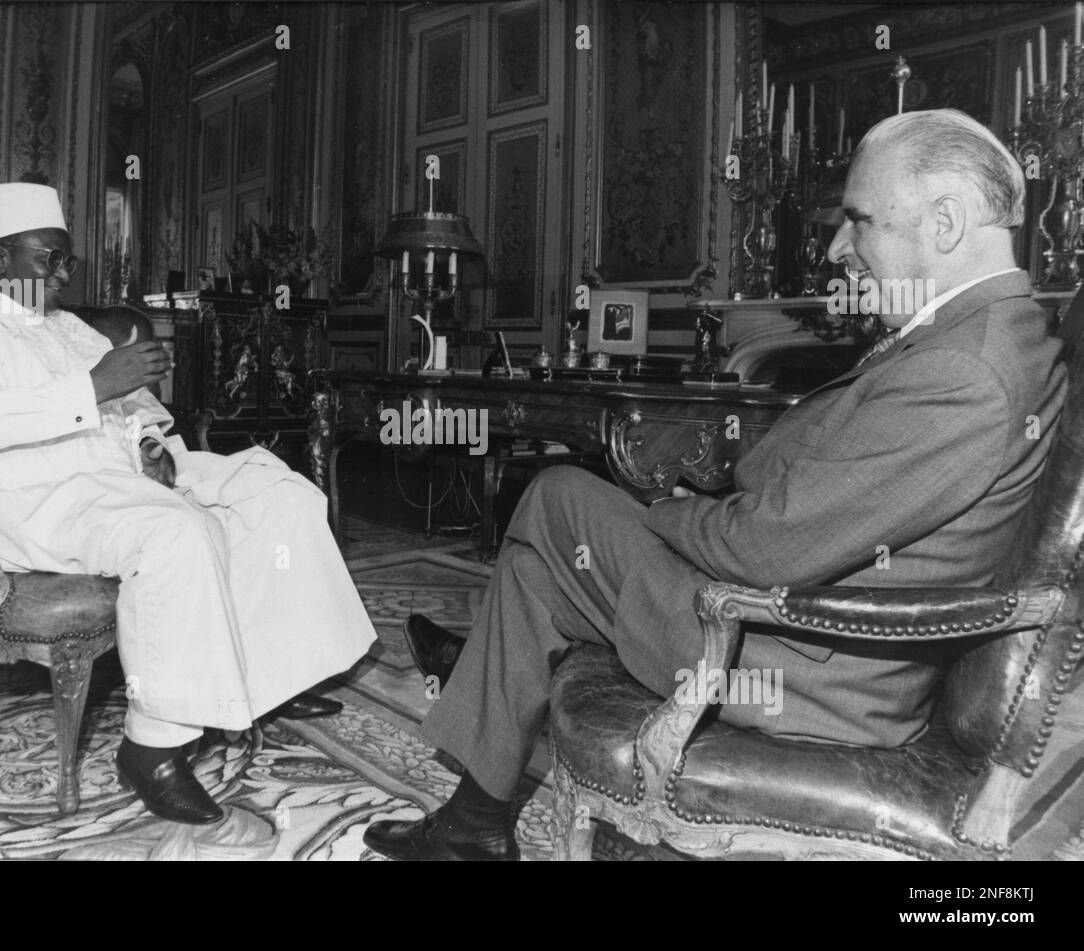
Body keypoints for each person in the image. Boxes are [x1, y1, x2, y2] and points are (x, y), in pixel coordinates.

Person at [365, 108, 1068, 860]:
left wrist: (672, 510)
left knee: (557, 500)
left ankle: (476, 756)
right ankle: (477, 773)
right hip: (816, 638)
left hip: (797, 663)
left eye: (859, 219)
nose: (837, 248)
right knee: (552, 551)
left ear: (947, 221)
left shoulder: (964, 370)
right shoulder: (997, 332)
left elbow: (767, 547)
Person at [0, 183, 376, 825]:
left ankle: (272, 677)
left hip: (105, 476)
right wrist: (92, 386)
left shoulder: (67, 328)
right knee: (172, 534)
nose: (65, 273)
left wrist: (153, 446)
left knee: (281, 494)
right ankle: (153, 748)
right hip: (8, 493)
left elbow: (136, 411)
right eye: (50, 259)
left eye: (67, 259)